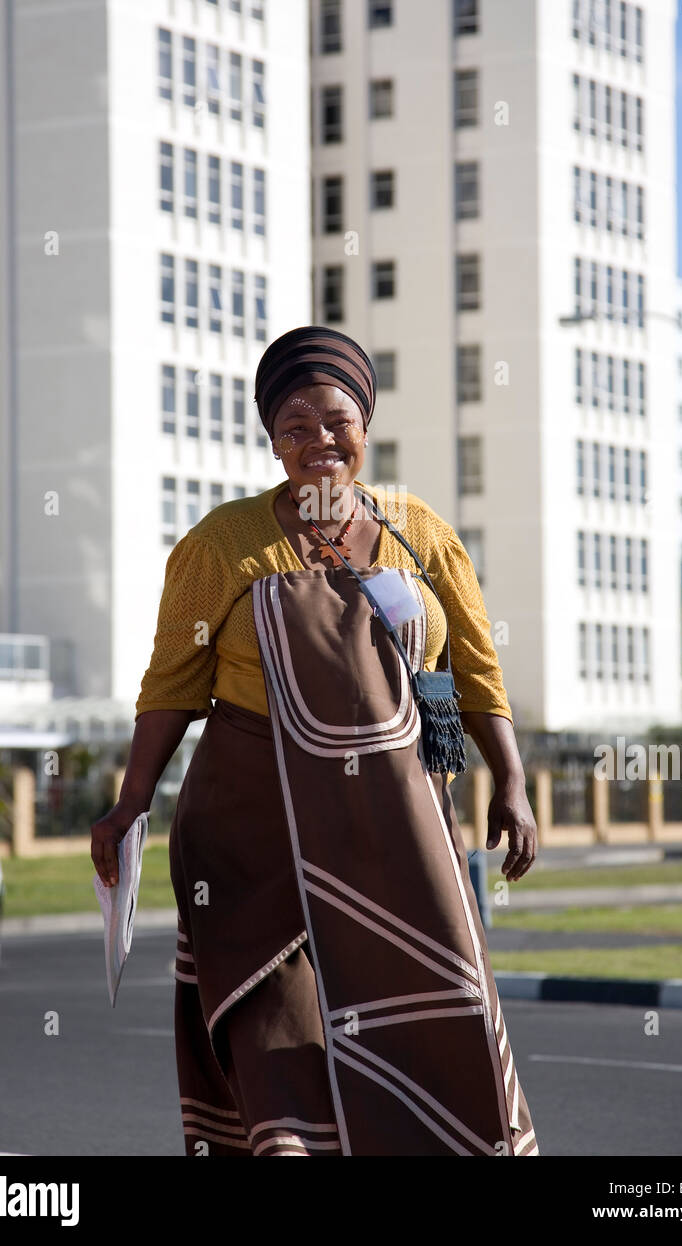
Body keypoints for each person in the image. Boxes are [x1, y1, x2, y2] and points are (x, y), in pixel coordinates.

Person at [91, 326, 539, 1157]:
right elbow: (171, 687)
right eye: (292, 427)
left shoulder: (421, 532)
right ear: (269, 439)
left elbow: (474, 670)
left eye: (334, 421)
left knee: (426, 1004)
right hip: (252, 829)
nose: (317, 443)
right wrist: (128, 805)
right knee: (276, 1027)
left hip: (398, 828)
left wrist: (509, 781)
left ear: (365, 423)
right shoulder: (223, 544)